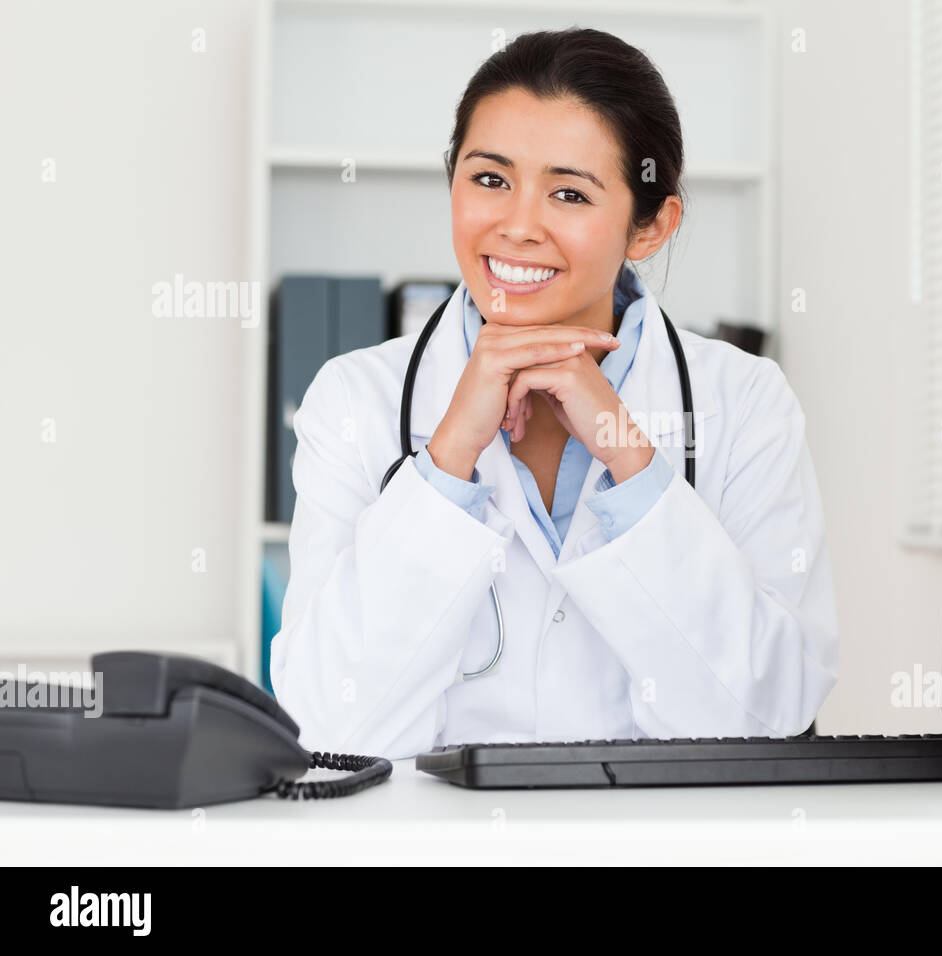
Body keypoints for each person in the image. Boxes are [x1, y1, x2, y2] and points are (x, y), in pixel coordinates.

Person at [270, 27, 838, 759]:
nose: (517, 226)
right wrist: (445, 463)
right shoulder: (354, 401)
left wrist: (630, 457)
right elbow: (329, 728)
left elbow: (767, 719)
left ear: (651, 225)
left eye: (569, 192)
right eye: (489, 179)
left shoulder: (746, 402)